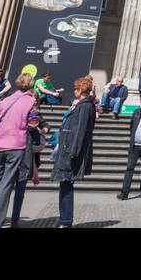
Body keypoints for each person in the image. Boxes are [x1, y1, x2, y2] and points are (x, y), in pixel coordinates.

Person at [0, 74, 40, 229]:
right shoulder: (31, 101)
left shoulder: (5, 100)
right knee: (5, 186)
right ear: (31, 84)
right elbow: (32, 125)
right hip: (15, 147)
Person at [51, 77, 96, 228]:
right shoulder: (80, 105)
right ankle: (64, 220)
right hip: (67, 149)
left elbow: (81, 130)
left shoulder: (85, 106)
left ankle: (66, 221)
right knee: (64, 185)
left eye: (76, 88)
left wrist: (73, 151)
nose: (74, 91)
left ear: (82, 89)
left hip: (70, 152)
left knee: (66, 185)